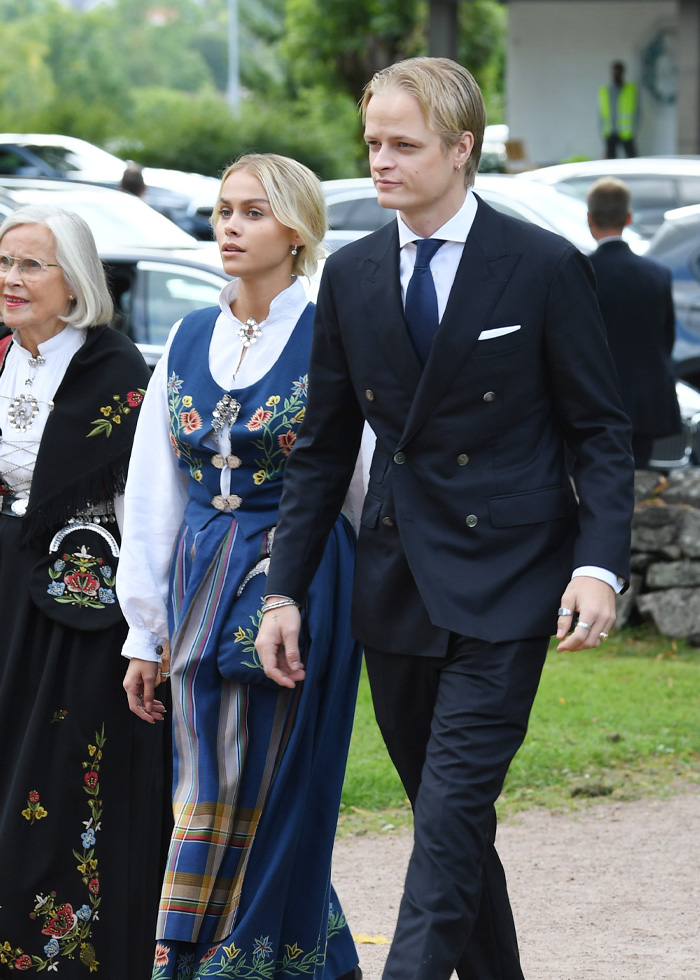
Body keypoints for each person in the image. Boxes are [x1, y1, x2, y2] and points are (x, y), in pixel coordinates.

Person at [255, 57, 635, 980]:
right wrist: (283, 592)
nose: (381, 163)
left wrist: (599, 565)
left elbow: (600, 431)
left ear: (462, 150)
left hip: (510, 580)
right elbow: (321, 450)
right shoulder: (348, 276)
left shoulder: (543, 266)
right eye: (373, 143)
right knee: (447, 816)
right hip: (395, 581)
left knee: (452, 811)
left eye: (404, 145)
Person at [118, 153, 362, 980]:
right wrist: (141, 632)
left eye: (252, 212)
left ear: (296, 231)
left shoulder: (332, 332)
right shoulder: (189, 334)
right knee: (202, 777)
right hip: (195, 579)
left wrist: (342, 593)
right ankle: (195, 956)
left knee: (274, 774)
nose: (228, 226)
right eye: (223, 211)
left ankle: (257, 956)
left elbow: (355, 481)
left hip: (299, 578)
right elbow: (151, 489)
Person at [0, 205, 165, 977]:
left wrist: (146, 629)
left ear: (75, 280)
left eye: (32, 265)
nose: (12, 279)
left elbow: (142, 510)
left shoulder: (116, 371)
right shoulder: (1, 356)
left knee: (65, 775)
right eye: (5, 262)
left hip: (75, 608)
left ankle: (66, 955)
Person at [587, 176, 681, 468]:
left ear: (589, 219)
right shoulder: (656, 274)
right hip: (646, 402)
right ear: (628, 218)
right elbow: (666, 340)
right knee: (637, 480)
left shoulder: (581, 272)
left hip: (594, 401)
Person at [599, 60, 639, 158]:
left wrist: (635, 129)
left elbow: (638, 112)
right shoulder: (605, 91)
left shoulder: (631, 90)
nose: (617, 74)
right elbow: (601, 114)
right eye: (615, 71)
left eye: (619, 71)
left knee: (632, 159)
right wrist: (602, 133)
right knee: (611, 162)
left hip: (627, 133)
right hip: (610, 132)